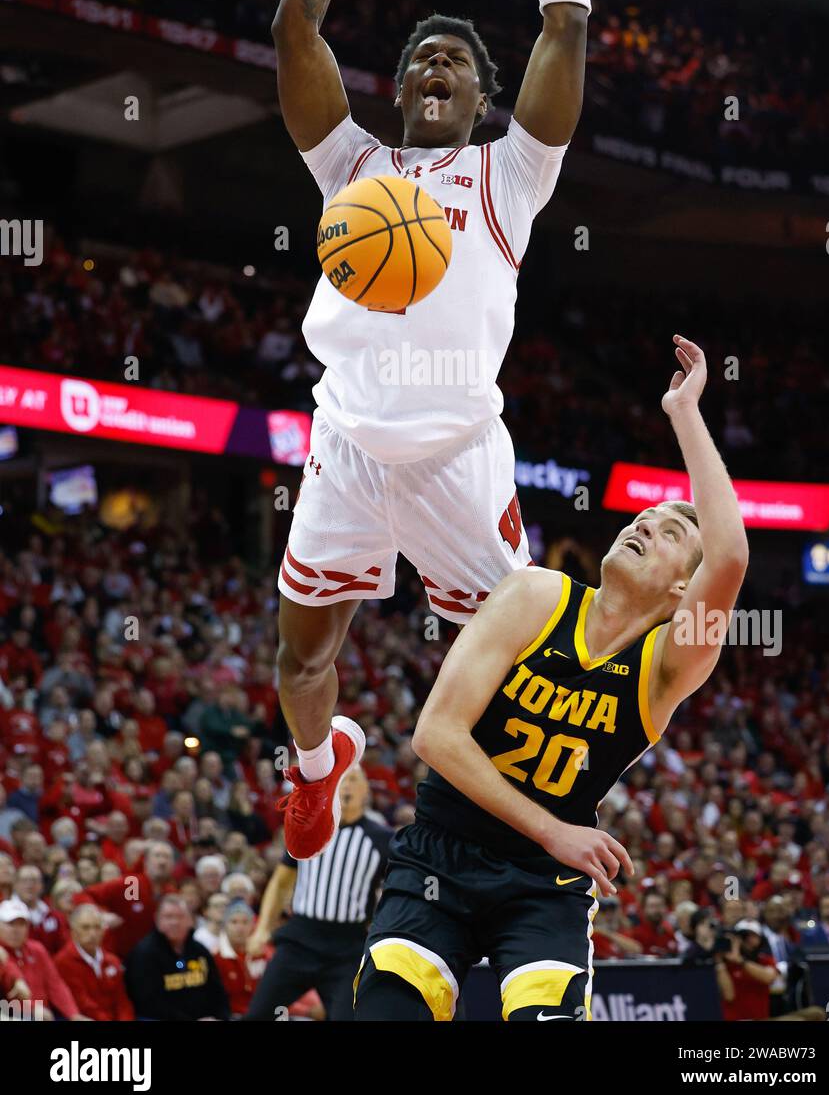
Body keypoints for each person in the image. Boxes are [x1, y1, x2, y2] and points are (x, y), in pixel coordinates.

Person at [270, 0, 590, 859]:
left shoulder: (507, 177)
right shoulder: (353, 166)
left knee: (506, 661)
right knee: (299, 657)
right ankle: (318, 774)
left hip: (458, 451)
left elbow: (566, 32)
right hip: (350, 444)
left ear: (480, 96)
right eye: (418, 58)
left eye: (453, 57)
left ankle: (489, 832)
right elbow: (293, 32)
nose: (433, 64)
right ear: (401, 89)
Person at [355, 337, 750, 1021]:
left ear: (685, 583)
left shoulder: (666, 668)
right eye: (642, 518)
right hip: (442, 856)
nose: (642, 525)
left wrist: (683, 411)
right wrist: (552, 830)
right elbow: (436, 734)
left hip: (543, 886)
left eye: (667, 533)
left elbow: (732, 555)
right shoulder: (537, 596)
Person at [246, 768, 389, 1021]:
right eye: (341, 780)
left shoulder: (382, 839)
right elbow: (281, 882)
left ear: (366, 790)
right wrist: (261, 930)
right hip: (300, 940)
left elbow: (395, 890)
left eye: (354, 779)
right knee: (257, 1015)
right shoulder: (309, 827)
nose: (346, 786)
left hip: (348, 949)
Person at [124, 894, 230, 1021]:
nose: (174, 922)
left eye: (180, 917)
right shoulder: (144, 954)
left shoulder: (200, 951)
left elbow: (217, 991)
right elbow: (149, 1003)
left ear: (190, 920)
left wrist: (220, 1017)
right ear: (157, 920)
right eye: (168, 917)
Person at [73, 838, 176, 957]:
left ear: (173, 864)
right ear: (146, 862)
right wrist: (100, 916)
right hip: (122, 957)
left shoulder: (171, 892)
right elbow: (84, 894)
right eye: (157, 856)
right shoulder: (132, 884)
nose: (162, 861)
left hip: (155, 958)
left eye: (167, 857)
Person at [0, 896, 84, 1020]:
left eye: (21, 924)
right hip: (13, 1013)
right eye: (10, 924)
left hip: (44, 1013)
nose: (16, 930)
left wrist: (73, 1014)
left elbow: (55, 985)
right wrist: (33, 1008)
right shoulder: (1, 953)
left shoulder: (37, 949)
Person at [54, 904, 134, 1021]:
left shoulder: (112, 961)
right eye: (85, 928)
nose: (92, 933)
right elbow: (83, 1003)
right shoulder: (63, 962)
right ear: (73, 931)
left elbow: (122, 1001)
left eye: (97, 927)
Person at [715, 921, 778, 1021]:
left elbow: (768, 978)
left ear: (761, 939)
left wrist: (740, 961)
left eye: (753, 936)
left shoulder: (766, 960)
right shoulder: (725, 964)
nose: (748, 940)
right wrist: (719, 961)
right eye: (744, 936)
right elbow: (729, 996)